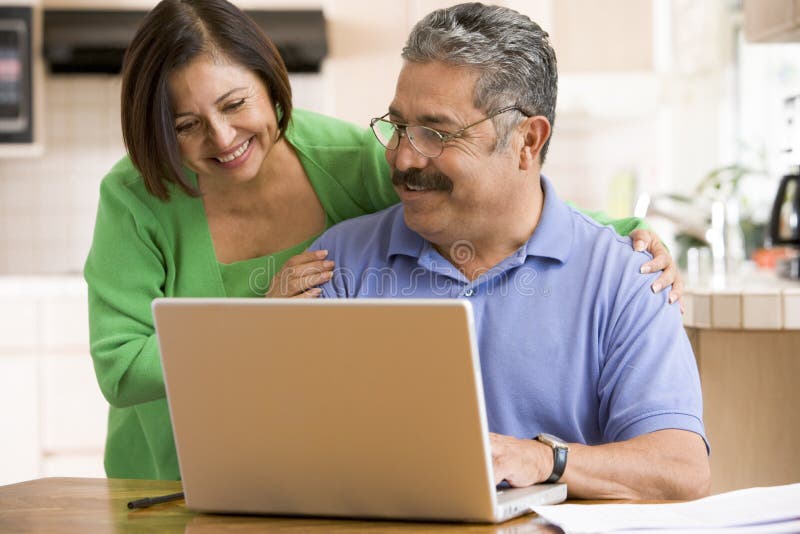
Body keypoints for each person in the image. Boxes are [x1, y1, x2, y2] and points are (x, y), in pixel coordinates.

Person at [84, 0, 680, 480]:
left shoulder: (345, 159)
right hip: (161, 473)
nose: (222, 137)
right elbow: (121, 368)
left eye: (235, 104)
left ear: (270, 84)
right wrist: (257, 322)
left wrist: (617, 236)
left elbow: (486, 195)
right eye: (187, 125)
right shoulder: (137, 196)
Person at [307, 2, 710, 499]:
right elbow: (282, 448)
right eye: (398, 126)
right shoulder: (338, 264)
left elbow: (681, 470)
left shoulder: (626, 278)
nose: (404, 157)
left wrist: (544, 459)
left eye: (435, 133)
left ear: (527, 140)